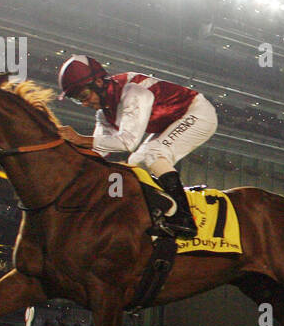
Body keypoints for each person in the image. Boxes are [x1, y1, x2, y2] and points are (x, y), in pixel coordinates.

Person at [56, 54, 217, 239]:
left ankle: (184, 218)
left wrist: (79, 139)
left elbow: (127, 143)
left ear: (99, 82)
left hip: (199, 114)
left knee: (153, 154)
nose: (84, 104)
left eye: (84, 95)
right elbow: (100, 152)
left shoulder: (132, 92)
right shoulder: (104, 114)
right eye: (77, 100)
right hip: (173, 121)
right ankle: (161, 211)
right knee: (136, 163)